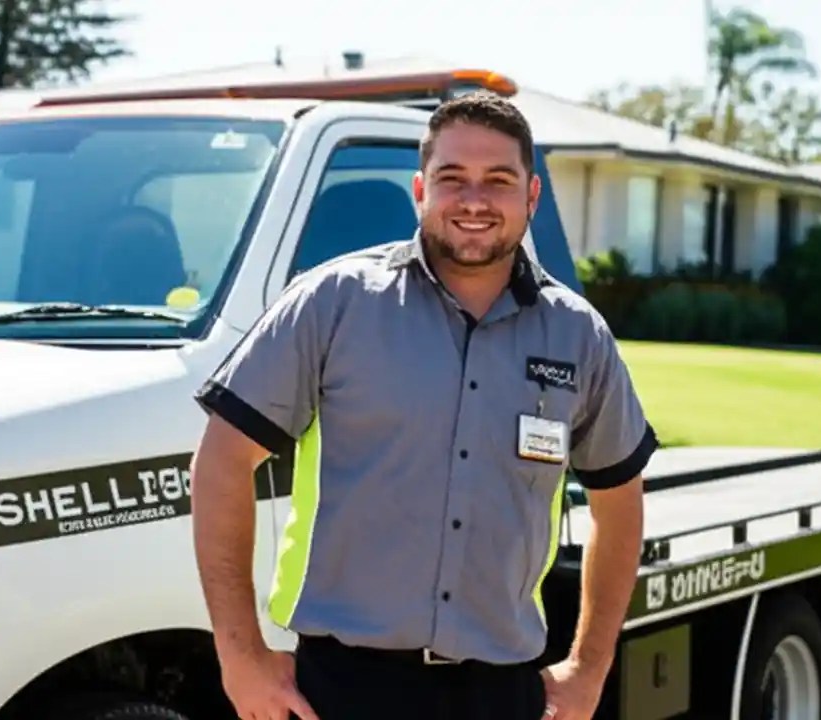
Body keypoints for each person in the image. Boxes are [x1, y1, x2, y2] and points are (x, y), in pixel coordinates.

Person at [190, 90, 657, 720]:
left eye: (498, 179)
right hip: (341, 690)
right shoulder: (332, 304)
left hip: (502, 694)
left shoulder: (578, 336)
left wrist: (587, 671)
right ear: (419, 190)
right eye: (451, 178)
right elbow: (222, 461)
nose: (473, 200)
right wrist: (240, 655)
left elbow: (620, 501)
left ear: (532, 196)